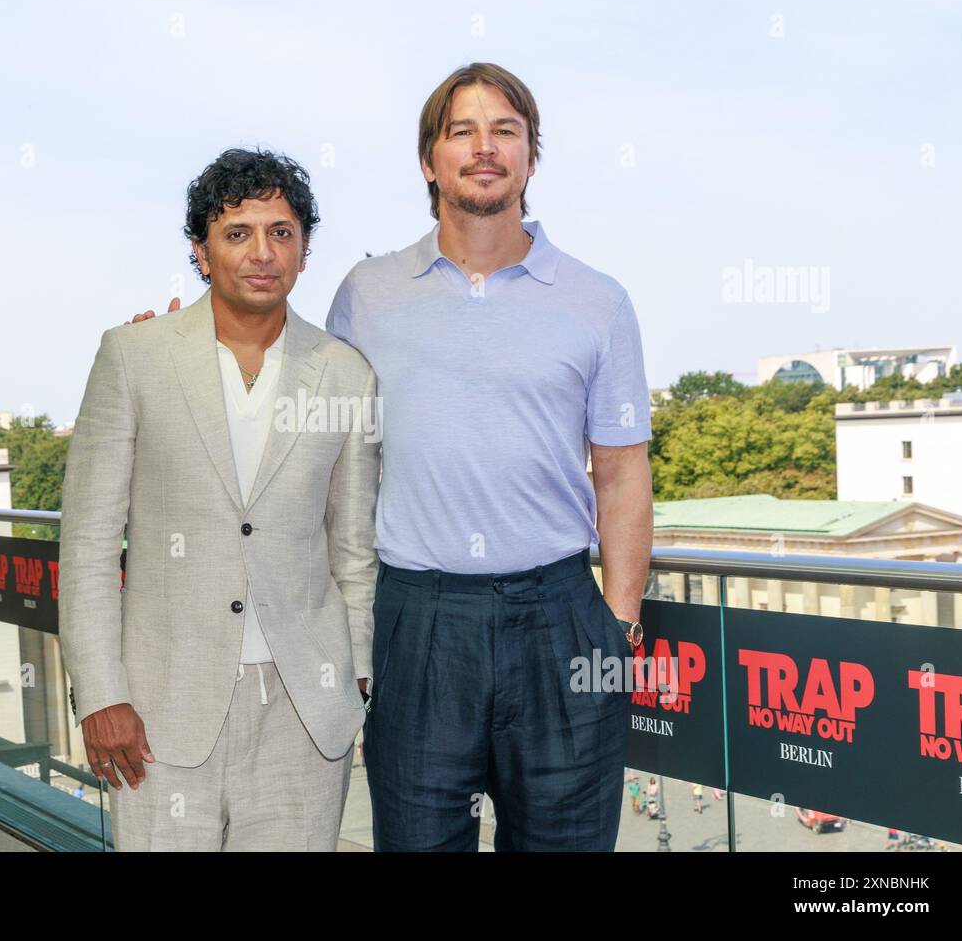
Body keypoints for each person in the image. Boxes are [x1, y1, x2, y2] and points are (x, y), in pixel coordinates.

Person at [129, 62, 653, 852]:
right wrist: (188, 359)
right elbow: (295, 439)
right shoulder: (367, 294)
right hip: (416, 620)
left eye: (505, 131)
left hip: (561, 620)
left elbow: (621, 472)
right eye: (462, 131)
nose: (485, 148)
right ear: (428, 159)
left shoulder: (598, 299)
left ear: (531, 158)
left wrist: (617, 624)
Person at [59, 148, 381, 851]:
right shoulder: (133, 356)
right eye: (237, 233)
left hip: (304, 709)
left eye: (282, 232)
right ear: (201, 253)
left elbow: (353, 545)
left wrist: (355, 672)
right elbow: (86, 543)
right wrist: (101, 693)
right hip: (160, 708)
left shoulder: (347, 375)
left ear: (303, 251)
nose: (261, 252)